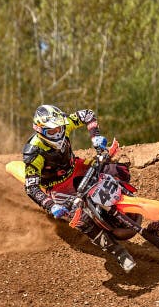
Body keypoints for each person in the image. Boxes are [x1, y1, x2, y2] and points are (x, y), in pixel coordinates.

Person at [23, 105, 135, 272]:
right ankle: (118, 252)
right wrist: (51, 205)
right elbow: (31, 187)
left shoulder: (64, 124)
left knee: (118, 170)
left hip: (77, 167)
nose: (58, 133)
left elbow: (87, 114)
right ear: (40, 130)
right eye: (52, 132)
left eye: (60, 128)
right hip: (57, 187)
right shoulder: (34, 153)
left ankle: (127, 201)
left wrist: (96, 137)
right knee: (81, 218)